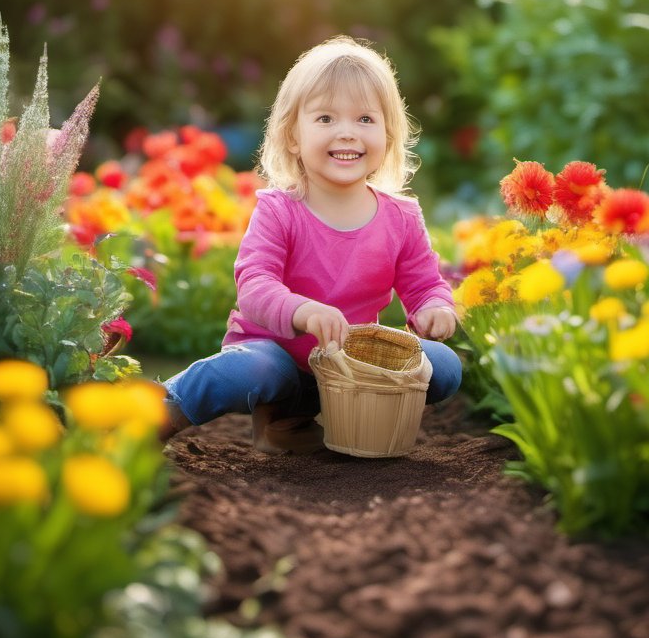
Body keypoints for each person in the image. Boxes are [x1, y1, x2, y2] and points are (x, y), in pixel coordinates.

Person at [159, 36, 463, 452]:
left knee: (443, 366)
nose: (347, 133)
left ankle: (301, 426)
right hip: (275, 356)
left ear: (389, 135)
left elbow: (424, 283)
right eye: (325, 119)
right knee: (248, 371)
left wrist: (434, 308)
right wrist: (302, 310)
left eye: (365, 119)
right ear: (292, 136)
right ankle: (160, 410)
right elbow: (254, 287)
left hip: (351, 367)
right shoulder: (280, 210)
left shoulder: (401, 217)